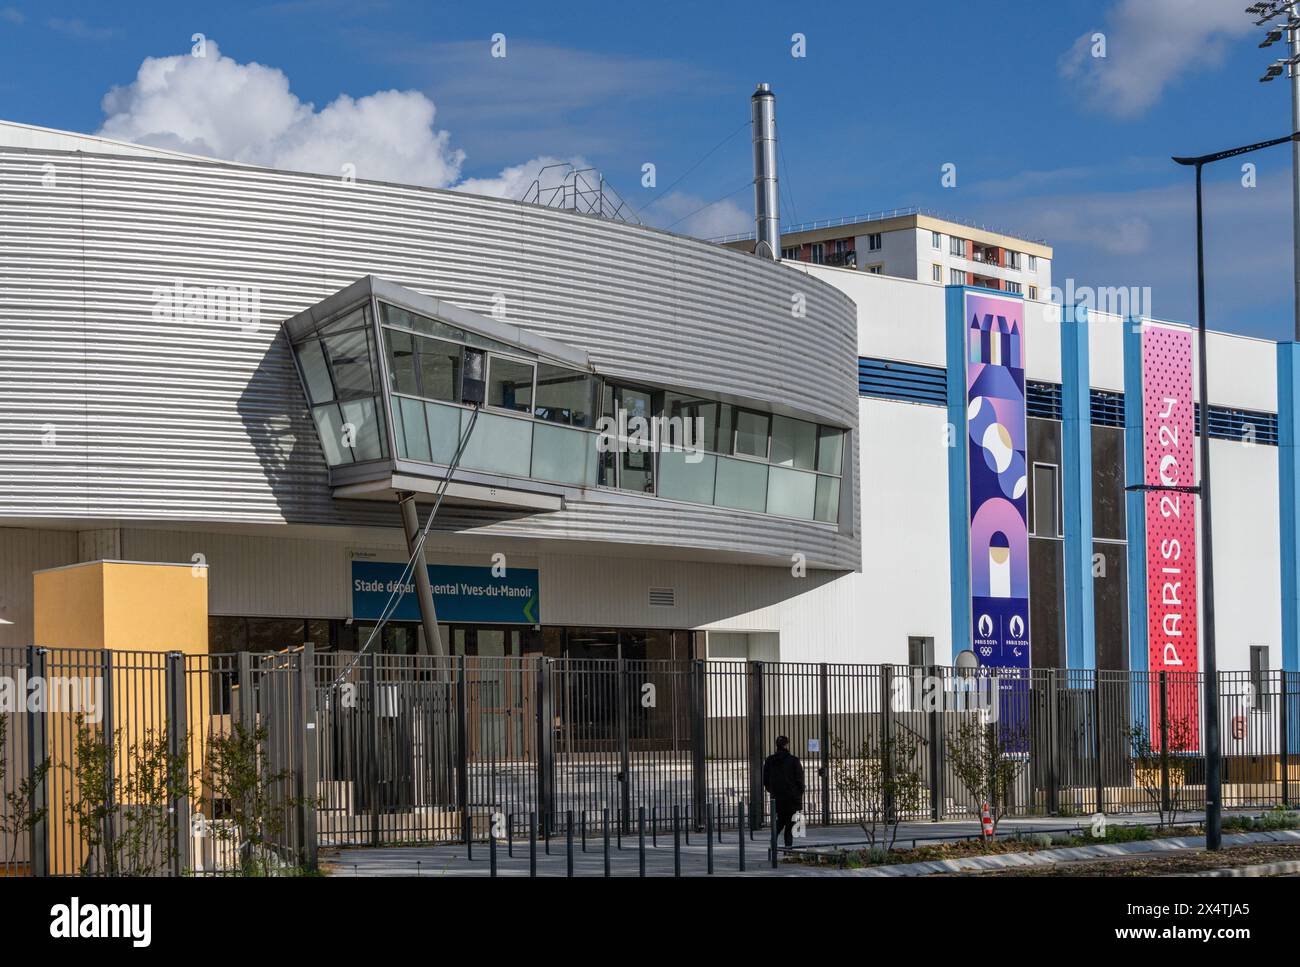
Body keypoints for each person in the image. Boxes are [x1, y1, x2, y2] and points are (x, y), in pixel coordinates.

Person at [762, 735, 804, 849]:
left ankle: (774, 843)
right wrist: (800, 793)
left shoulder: (770, 760)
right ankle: (788, 848)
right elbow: (799, 779)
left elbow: (765, 780)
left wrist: (772, 791)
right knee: (790, 825)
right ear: (786, 745)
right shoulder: (793, 760)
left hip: (777, 798)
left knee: (780, 820)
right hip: (792, 797)